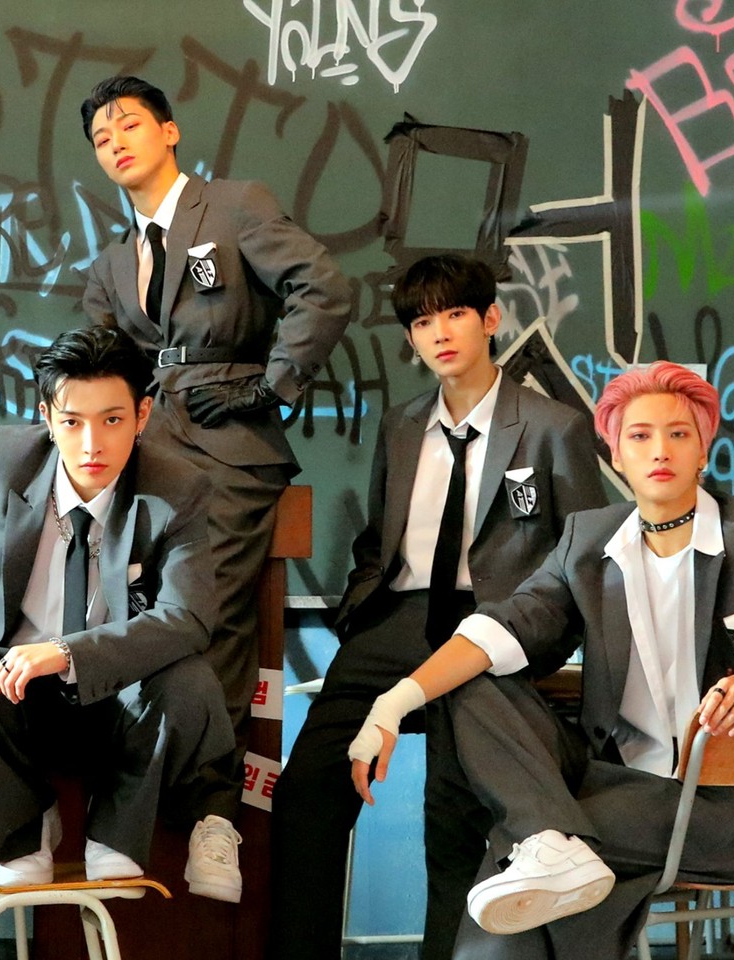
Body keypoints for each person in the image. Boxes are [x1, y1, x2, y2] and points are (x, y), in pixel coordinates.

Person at [350, 362, 734, 957]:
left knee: (517, 862)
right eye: (639, 435)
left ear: (702, 450)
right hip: (607, 779)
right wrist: (392, 704)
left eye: (679, 433)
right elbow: (505, 626)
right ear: (616, 454)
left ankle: (545, 836)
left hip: (716, 804)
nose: (659, 450)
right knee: (470, 680)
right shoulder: (588, 540)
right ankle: (547, 836)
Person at [270, 254, 605, 958]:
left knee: (452, 812)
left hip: (493, 627)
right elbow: (377, 541)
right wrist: (358, 615)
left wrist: (547, 641)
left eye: (456, 314)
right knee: (306, 791)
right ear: (412, 339)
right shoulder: (402, 425)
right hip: (395, 622)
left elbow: (584, 557)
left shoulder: (552, 427)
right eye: (423, 323)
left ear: (491, 319)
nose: (441, 333)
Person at [78, 74, 353, 901]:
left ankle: (213, 814)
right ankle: (129, 798)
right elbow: (92, 366)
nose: (115, 143)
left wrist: (271, 385)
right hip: (142, 454)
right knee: (121, 610)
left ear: (169, 130)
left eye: (128, 124)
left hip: (231, 444)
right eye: (100, 138)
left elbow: (324, 288)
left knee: (210, 618)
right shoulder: (110, 263)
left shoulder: (233, 206)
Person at [0, 325, 233, 893]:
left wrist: (66, 652)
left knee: (189, 679)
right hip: (9, 696)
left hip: (118, 701)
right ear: (45, 416)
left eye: (112, 420)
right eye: (72, 422)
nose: (91, 445)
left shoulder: (178, 489)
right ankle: (18, 827)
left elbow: (186, 618)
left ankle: (115, 832)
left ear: (142, 415)